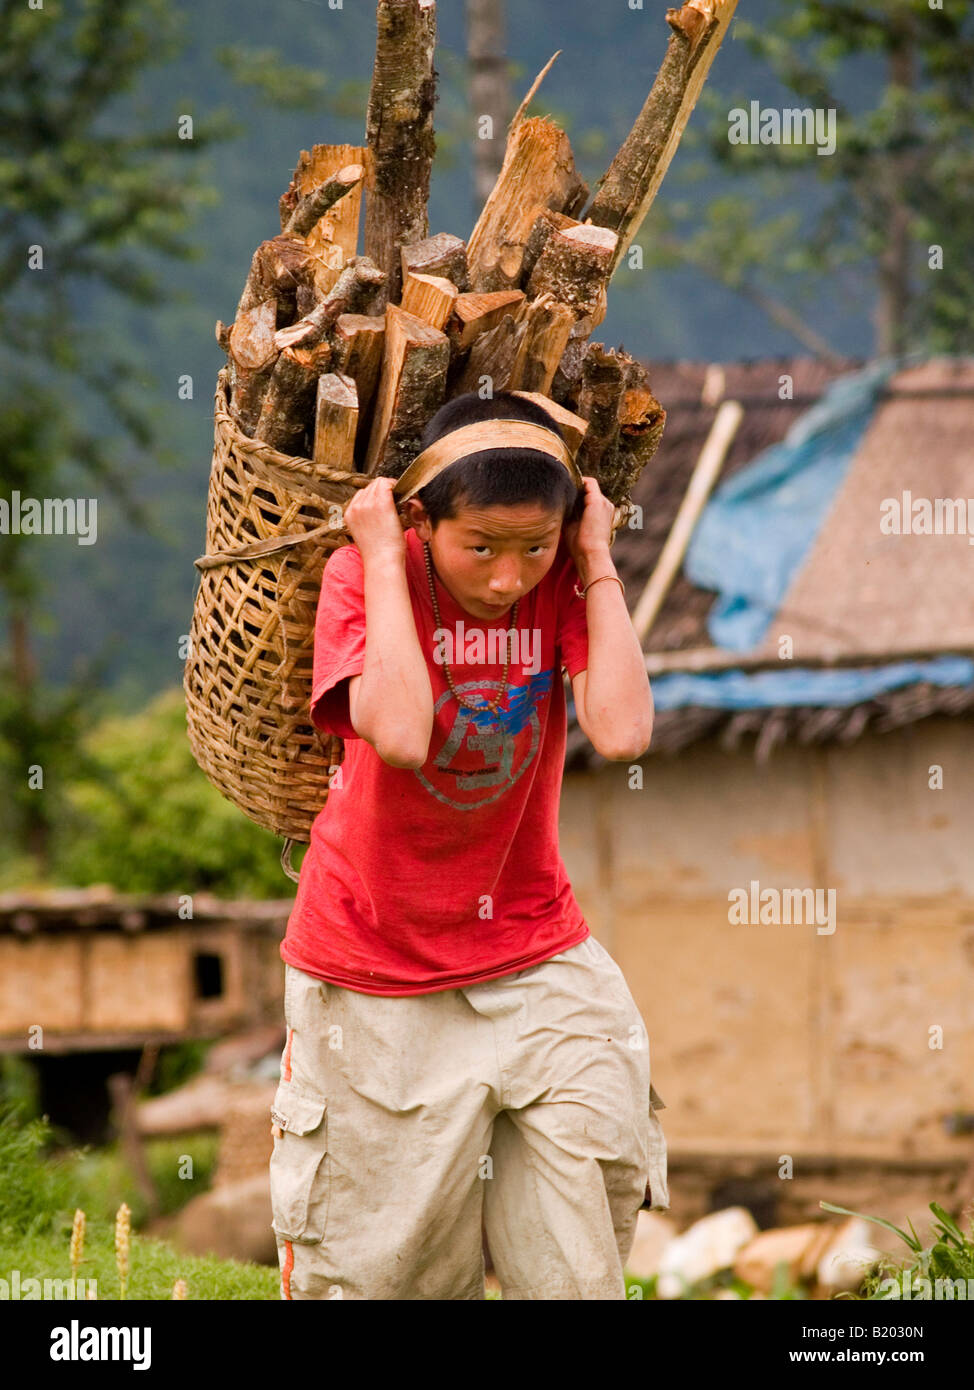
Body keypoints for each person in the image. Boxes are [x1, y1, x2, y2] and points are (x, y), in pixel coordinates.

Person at [271, 389, 669, 1300]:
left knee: (585, 1216)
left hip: (533, 949)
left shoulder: (564, 579)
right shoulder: (366, 576)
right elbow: (403, 736)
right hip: (372, 964)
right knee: (383, 1266)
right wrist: (380, 556)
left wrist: (594, 555)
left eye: (534, 546)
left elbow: (623, 729)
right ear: (422, 519)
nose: (505, 579)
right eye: (479, 546)